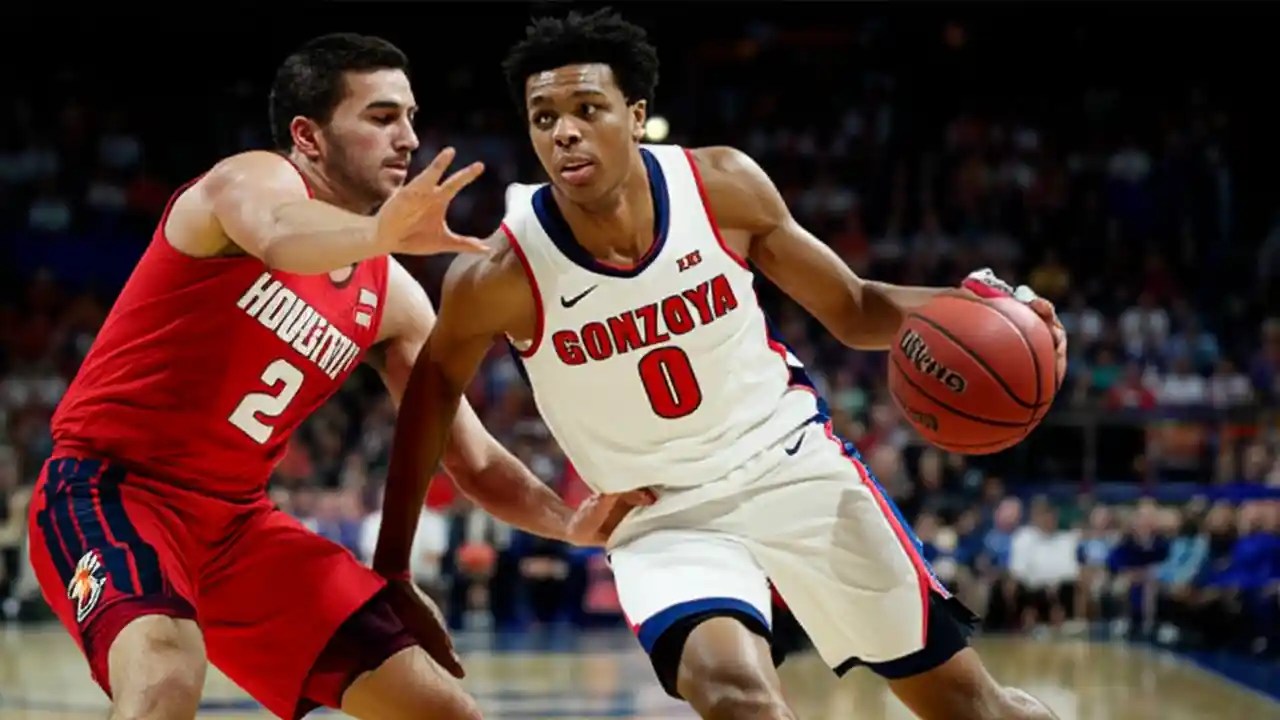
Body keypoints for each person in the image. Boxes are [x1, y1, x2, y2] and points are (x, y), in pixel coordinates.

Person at [380, 9, 1070, 720]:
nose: (564, 132)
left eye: (588, 109)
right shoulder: (498, 274)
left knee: (971, 708)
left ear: (635, 113)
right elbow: (431, 414)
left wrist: (988, 311)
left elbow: (856, 308)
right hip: (660, 515)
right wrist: (394, 566)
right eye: (543, 116)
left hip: (790, 462)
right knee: (737, 697)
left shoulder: (721, 186)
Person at [28, 32, 649, 720]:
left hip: (238, 527)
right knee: (166, 673)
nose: (407, 139)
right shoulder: (251, 181)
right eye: (382, 118)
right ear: (309, 135)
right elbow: (280, 235)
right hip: (110, 492)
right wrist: (383, 233)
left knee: (445, 710)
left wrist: (569, 522)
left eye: (411, 118)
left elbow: (469, 458)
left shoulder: (392, 297)